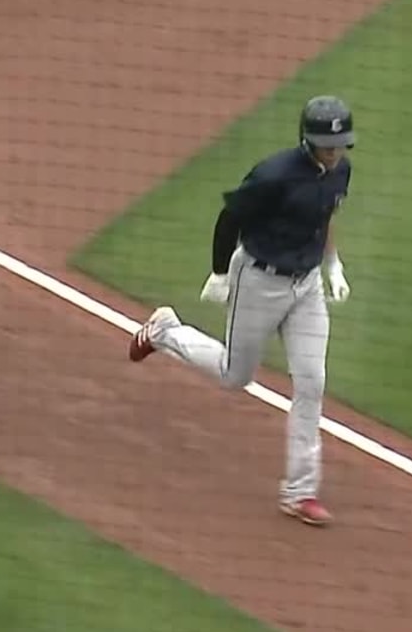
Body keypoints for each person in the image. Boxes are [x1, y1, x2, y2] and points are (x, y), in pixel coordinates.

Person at [128, 95, 355, 525]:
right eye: (330, 144)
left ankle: (299, 492)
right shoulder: (274, 176)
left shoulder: (341, 170)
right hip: (259, 281)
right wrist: (219, 273)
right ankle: (165, 331)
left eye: (341, 144)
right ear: (308, 141)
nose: (337, 152)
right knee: (236, 376)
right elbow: (229, 218)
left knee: (312, 383)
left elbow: (326, 217)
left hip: (305, 288)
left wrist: (333, 266)